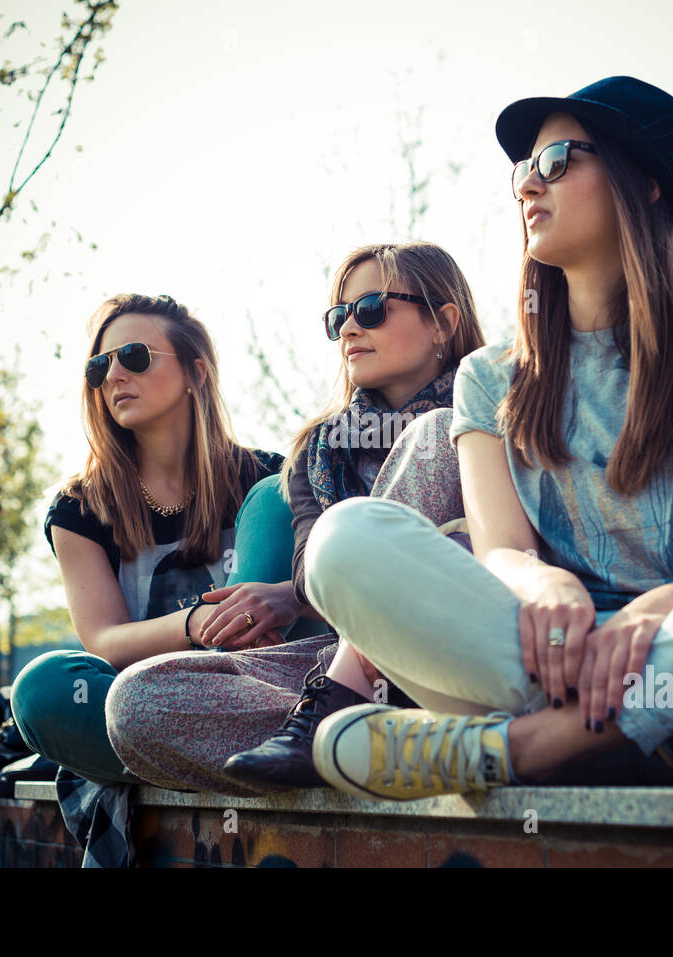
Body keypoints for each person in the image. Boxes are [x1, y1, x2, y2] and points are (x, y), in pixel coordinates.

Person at [305, 76, 673, 799]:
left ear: (647, 183)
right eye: (523, 171)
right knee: (342, 541)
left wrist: (653, 613)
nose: (529, 187)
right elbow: (502, 551)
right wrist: (548, 584)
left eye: (558, 161)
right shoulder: (487, 377)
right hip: (560, 670)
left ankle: (538, 748)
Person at [104, 242, 487, 794]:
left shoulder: (500, 411)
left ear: (442, 322)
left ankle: (347, 731)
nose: (350, 328)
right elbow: (315, 576)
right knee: (139, 701)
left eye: (372, 308)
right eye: (340, 317)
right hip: (346, 660)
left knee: (435, 436)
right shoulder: (321, 451)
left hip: (471, 648)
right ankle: (374, 738)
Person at [10, 293, 295, 786]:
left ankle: (208, 760)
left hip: (255, 691)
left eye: (135, 357)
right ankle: (235, 761)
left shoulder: (268, 478)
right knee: (42, 690)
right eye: (100, 366)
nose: (115, 375)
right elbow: (104, 640)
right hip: (148, 703)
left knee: (276, 497)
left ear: (196, 374)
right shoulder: (79, 509)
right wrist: (196, 622)